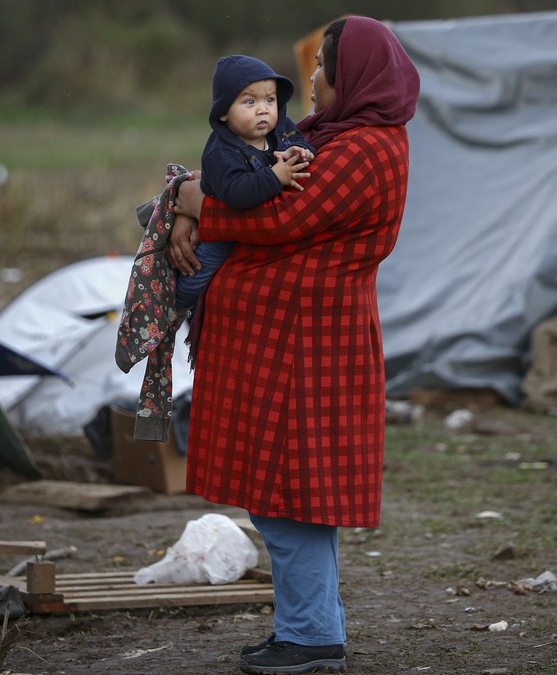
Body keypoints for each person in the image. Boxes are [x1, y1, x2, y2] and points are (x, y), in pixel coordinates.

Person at [169, 16, 420, 675]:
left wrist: (192, 200)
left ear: (355, 75)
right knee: (289, 490)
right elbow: (257, 178)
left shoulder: (367, 149)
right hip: (291, 341)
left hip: (307, 345)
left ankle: (310, 635)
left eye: (322, 67)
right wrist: (188, 200)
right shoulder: (336, 137)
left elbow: (281, 213)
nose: (310, 78)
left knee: (291, 494)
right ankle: (312, 629)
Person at [175, 54, 315, 311]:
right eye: (249, 101)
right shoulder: (221, 152)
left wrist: (299, 150)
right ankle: (173, 312)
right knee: (197, 275)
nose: (263, 109)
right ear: (224, 113)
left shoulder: (280, 128)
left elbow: (299, 138)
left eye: (269, 100)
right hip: (219, 231)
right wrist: (276, 176)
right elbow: (237, 194)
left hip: (253, 232)